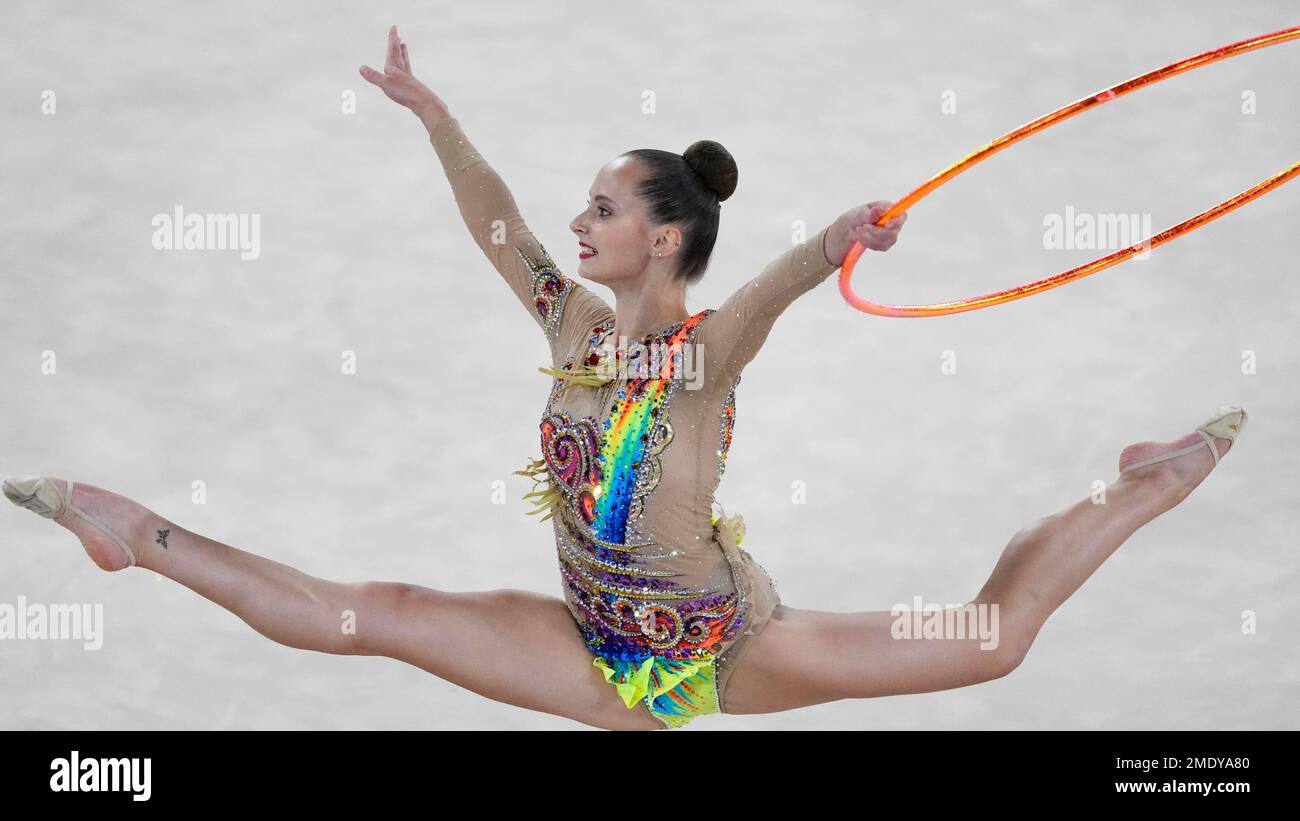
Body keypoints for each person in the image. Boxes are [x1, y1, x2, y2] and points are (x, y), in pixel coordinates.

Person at [3, 26, 1248, 732]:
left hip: (720, 650)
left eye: (602, 208)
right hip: (589, 641)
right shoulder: (571, 327)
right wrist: (435, 117)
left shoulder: (695, 361)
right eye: (584, 204)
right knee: (362, 611)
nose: (578, 222)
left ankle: (1152, 477)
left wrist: (837, 241)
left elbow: (762, 296)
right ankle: (132, 528)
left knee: (991, 638)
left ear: (662, 235)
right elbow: (498, 227)